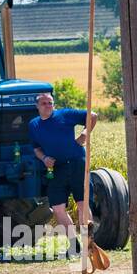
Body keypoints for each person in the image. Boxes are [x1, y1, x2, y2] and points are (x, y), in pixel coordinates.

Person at [28, 94, 96, 256]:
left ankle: (90, 244)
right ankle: (75, 246)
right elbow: (36, 148)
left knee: (82, 204)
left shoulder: (64, 114)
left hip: (76, 164)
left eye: (50, 103)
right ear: (37, 106)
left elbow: (92, 116)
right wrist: (44, 158)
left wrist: (84, 135)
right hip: (57, 169)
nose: (47, 106)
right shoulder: (34, 125)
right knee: (58, 208)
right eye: (44, 103)